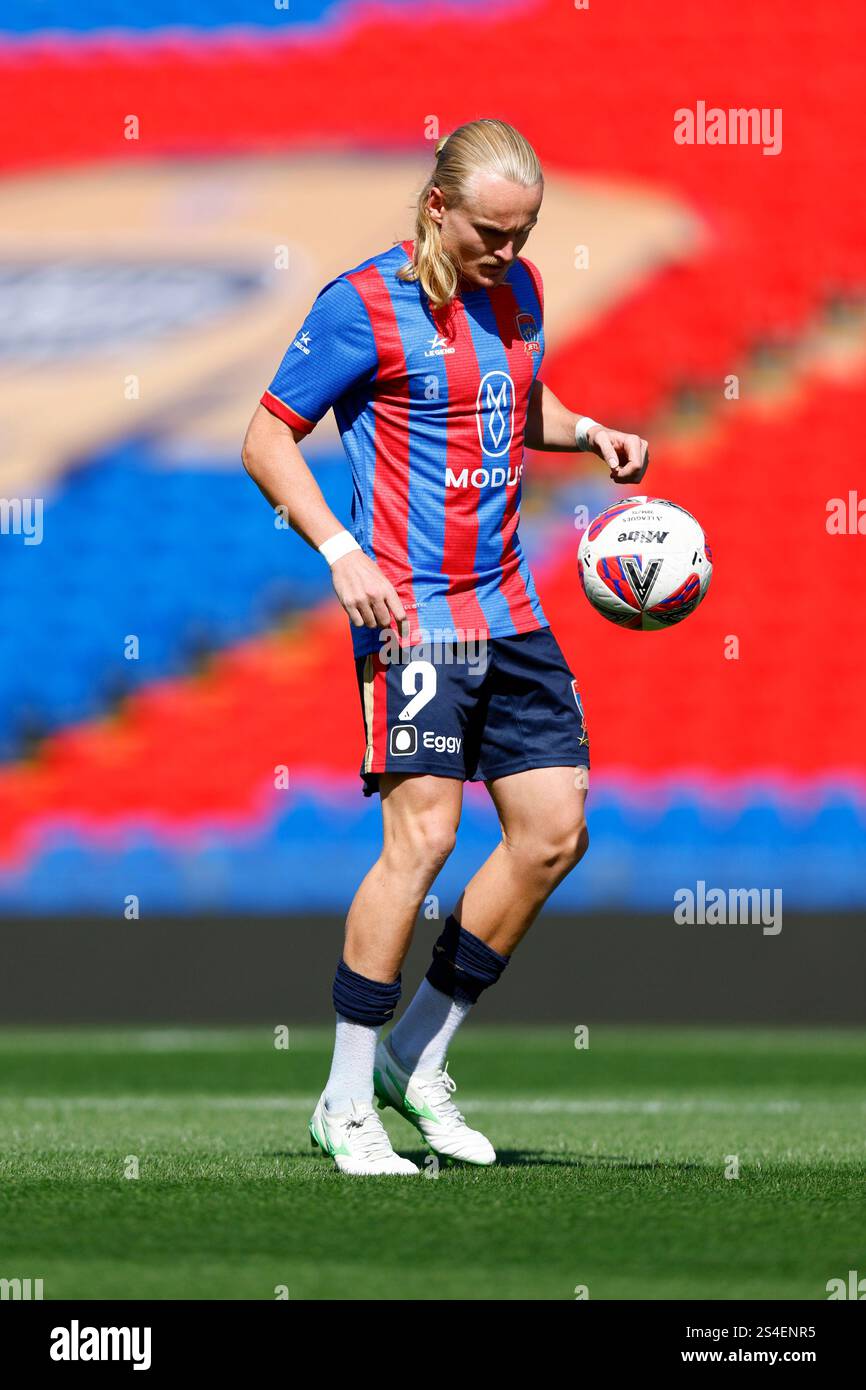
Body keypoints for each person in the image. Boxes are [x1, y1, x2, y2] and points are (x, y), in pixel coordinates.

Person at [242, 118, 648, 1176]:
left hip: (509, 606)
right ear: (438, 208)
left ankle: (415, 1052)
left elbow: (509, 402)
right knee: (419, 842)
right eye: (491, 234)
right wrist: (337, 551)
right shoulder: (359, 303)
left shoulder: (517, 293)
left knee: (554, 831)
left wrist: (590, 429)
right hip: (411, 613)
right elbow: (264, 436)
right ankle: (343, 1096)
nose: (507, 255)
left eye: (523, 234)